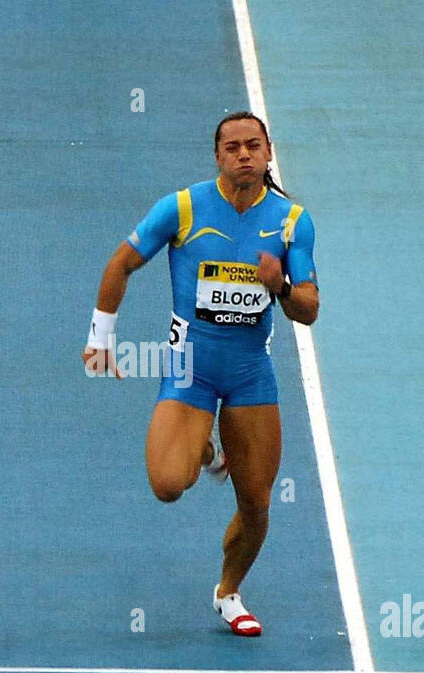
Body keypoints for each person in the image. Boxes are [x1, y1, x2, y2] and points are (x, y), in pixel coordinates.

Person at [81, 111, 320, 636]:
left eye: (252, 145)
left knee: (256, 503)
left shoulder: (291, 222)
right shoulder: (184, 208)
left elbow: (308, 308)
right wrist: (101, 336)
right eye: (231, 147)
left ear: (268, 151)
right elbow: (121, 262)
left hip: (250, 376)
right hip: (189, 369)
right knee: (168, 484)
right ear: (217, 156)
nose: (243, 154)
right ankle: (205, 447)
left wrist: (280, 286)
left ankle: (229, 592)